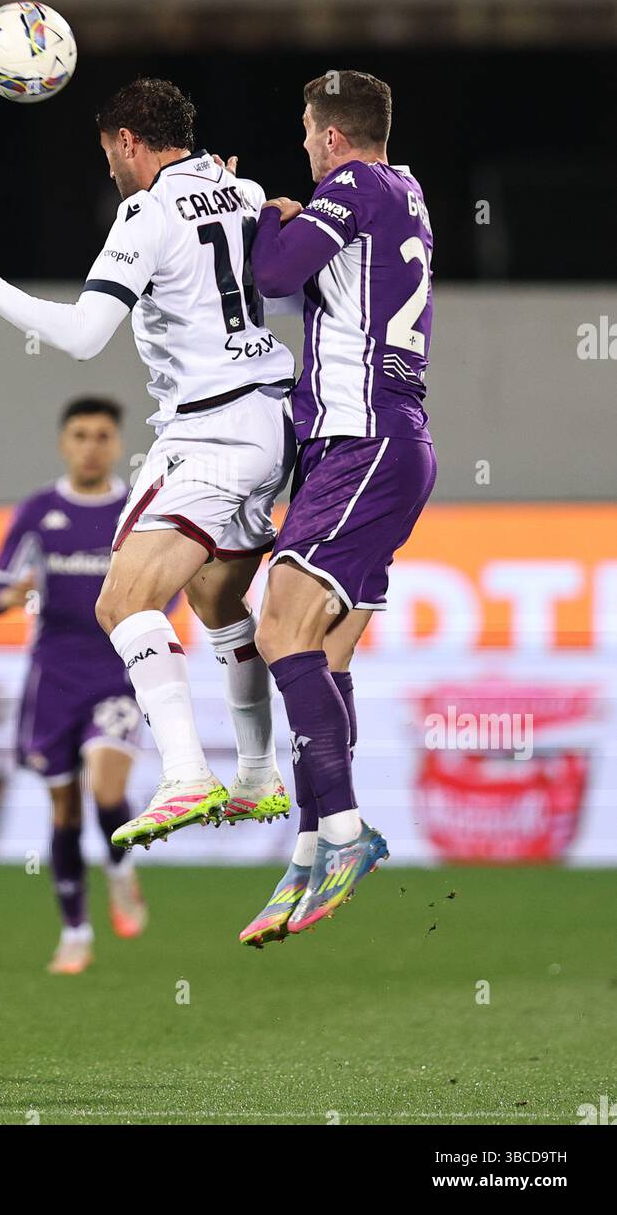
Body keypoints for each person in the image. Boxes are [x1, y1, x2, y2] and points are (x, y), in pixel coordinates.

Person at [0, 78, 297, 851]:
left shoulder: (149, 211)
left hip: (210, 433)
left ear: (129, 141)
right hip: (273, 421)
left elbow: (83, 335)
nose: (109, 170)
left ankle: (185, 774)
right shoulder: (242, 186)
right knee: (218, 602)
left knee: (120, 604)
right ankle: (260, 774)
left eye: (109, 154)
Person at [238, 70, 437, 946]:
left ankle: (348, 835)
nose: (308, 148)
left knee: (277, 623)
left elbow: (274, 275)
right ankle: (313, 844)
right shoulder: (409, 190)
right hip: (384, 445)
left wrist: (264, 216)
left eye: (308, 133)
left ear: (330, 136)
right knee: (324, 647)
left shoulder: (352, 184)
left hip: (363, 443)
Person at [0, 396, 145, 976]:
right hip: (52, 678)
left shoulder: (138, 511)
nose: (92, 446)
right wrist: (15, 592)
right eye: (81, 435)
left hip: (118, 673)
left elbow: (168, 588)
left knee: (105, 788)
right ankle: (75, 932)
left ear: (118, 444)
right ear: (64, 442)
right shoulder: (38, 512)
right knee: (64, 811)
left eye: (103, 435)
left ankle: (122, 871)